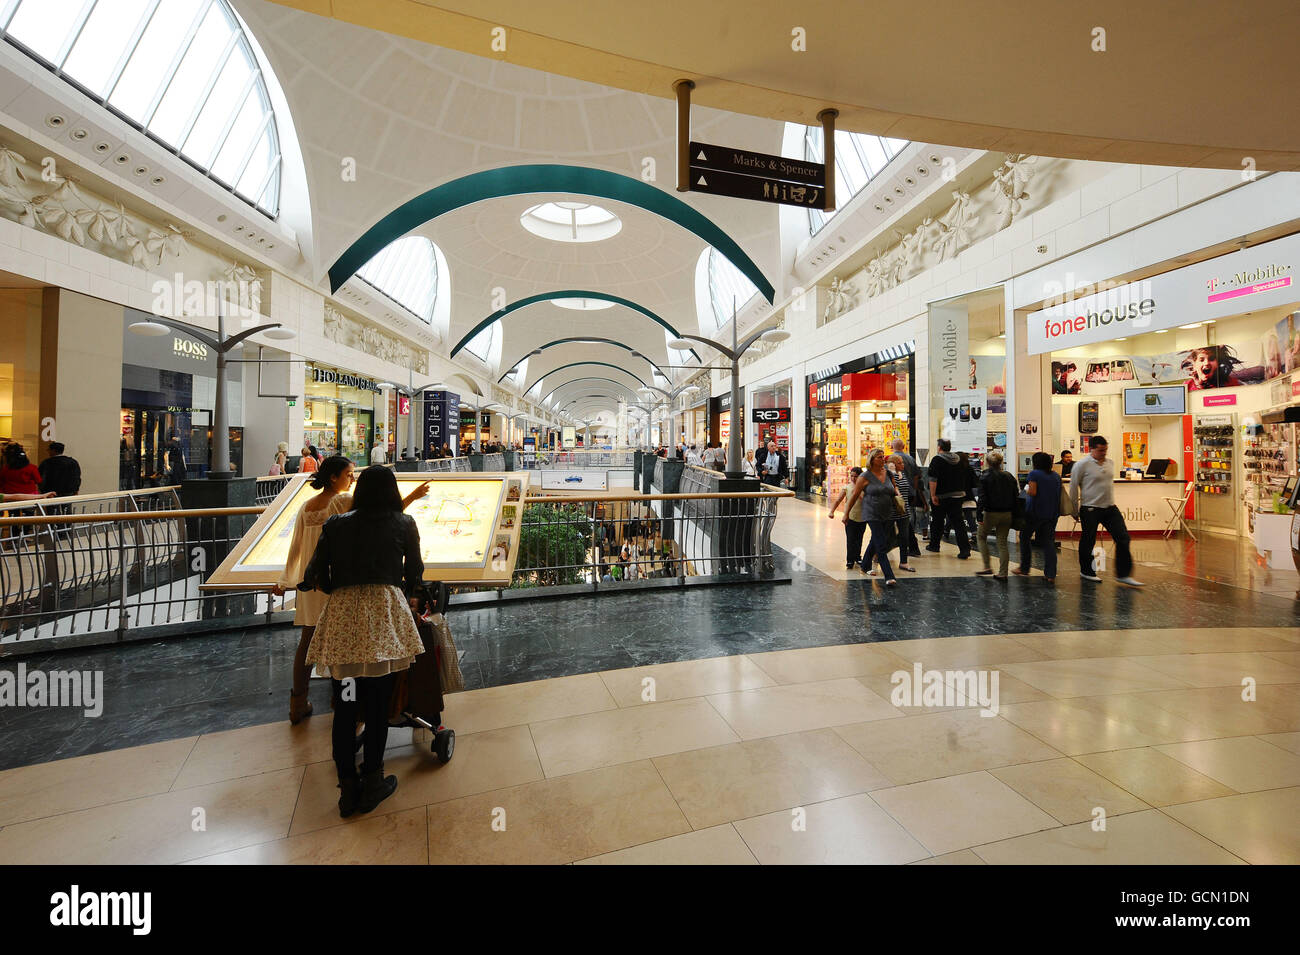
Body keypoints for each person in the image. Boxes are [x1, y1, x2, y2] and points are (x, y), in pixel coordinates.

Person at [298, 466, 427, 819]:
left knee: (345, 705)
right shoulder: (403, 524)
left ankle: (347, 787)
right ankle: (373, 781)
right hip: (383, 616)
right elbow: (415, 573)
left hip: (343, 619)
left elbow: (315, 576)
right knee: (377, 704)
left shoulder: (337, 524)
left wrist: (343, 592)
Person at [271, 456, 356, 724]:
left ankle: (297, 703)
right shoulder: (341, 503)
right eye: (349, 474)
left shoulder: (307, 507)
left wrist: (285, 581)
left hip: (309, 583)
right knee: (343, 641)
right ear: (334, 477)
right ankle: (341, 699)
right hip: (334, 581)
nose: (352, 479)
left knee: (307, 642)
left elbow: (295, 548)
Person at [1071, 435, 1144, 587]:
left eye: (1105, 450)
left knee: (1123, 538)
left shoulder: (1110, 463)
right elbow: (1073, 488)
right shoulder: (1081, 465)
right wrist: (1074, 509)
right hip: (1090, 508)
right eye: (1100, 450)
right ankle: (1087, 571)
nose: (1104, 453)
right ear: (1091, 449)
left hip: (1110, 507)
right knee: (1088, 540)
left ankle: (1123, 574)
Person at [842, 449, 898, 586]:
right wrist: (846, 513)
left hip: (889, 512)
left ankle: (865, 564)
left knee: (877, 540)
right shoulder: (865, 477)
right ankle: (889, 576)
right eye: (879, 457)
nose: (882, 459)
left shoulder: (888, 473)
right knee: (881, 544)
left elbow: (894, 490)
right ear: (872, 460)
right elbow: (854, 496)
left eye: (883, 457)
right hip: (872, 513)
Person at [1015, 451, 1062, 584]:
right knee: (1048, 543)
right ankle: (1051, 574)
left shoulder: (1034, 474)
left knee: (1024, 538)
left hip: (1034, 513)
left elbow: (1033, 492)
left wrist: (1025, 490)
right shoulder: (1056, 476)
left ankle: (1024, 568)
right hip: (1051, 514)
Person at [974, 450, 1018, 579]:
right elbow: (1015, 496)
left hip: (990, 513)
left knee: (981, 537)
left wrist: (979, 515)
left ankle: (987, 566)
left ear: (987, 462)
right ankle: (1003, 573)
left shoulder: (984, 476)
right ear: (1000, 462)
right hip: (1007, 514)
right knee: (1002, 543)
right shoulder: (1009, 476)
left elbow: (982, 498)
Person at [925, 439, 970, 558]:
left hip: (942, 496)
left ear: (939, 447)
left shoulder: (937, 460)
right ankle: (965, 549)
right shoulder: (959, 459)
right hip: (958, 495)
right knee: (958, 523)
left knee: (937, 521)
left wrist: (933, 495)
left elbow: (933, 479)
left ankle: (934, 545)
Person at [890, 438, 925, 556]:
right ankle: (909, 546)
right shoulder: (910, 458)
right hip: (909, 493)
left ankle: (892, 545)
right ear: (904, 446)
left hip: (897, 496)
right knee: (905, 520)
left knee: (902, 522)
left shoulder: (891, 459)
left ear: (891, 446)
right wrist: (914, 491)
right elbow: (916, 476)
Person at [828, 466, 866, 569]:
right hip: (850, 517)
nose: (853, 479)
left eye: (856, 477)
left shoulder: (864, 488)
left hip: (862, 518)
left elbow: (866, 501)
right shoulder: (847, 487)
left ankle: (857, 557)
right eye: (852, 476)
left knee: (859, 539)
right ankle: (850, 560)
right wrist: (832, 511)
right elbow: (838, 500)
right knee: (850, 539)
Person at [887, 454, 915, 573]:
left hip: (904, 510)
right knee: (887, 535)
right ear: (892, 464)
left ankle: (904, 561)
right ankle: (877, 554)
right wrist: (892, 472)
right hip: (891, 511)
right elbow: (892, 488)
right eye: (900, 463)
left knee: (904, 536)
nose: (903, 465)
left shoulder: (902, 474)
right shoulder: (889, 475)